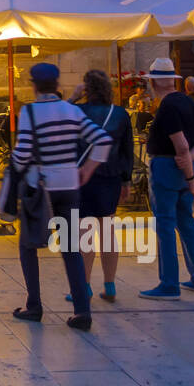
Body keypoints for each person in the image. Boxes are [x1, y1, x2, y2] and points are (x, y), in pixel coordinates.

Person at [10, 63, 112, 331]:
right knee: (71, 249)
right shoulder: (72, 110)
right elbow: (102, 139)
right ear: (57, 85)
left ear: (34, 85)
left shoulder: (29, 112)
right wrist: (87, 169)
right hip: (69, 186)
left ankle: (34, 305)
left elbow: (22, 153)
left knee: (29, 245)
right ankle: (82, 311)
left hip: (41, 189)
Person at [140, 58, 194, 299]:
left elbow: (180, 145)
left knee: (165, 225)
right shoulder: (189, 103)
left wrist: (189, 171)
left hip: (166, 168)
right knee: (187, 222)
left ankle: (169, 283)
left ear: (155, 83)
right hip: (183, 168)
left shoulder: (168, 106)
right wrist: (190, 164)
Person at [74, 69, 133, 303]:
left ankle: (85, 286)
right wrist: (126, 181)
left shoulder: (78, 111)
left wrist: (73, 97)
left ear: (87, 88)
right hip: (111, 177)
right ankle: (110, 285)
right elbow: (126, 150)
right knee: (107, 231)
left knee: (85, 233)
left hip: (84, 176)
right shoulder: (119, 113)